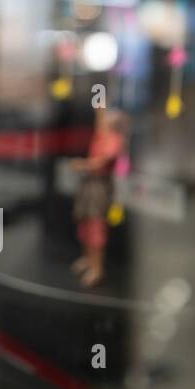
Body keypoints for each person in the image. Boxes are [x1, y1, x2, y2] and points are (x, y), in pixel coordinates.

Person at [71, 107, 128, 288]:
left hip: (99, 187)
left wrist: (83, 165)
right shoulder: (102, 135)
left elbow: (102, 162)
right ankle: (88, 260)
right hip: (89, 185)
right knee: (85, 223)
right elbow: (100, 115)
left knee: (96, 226)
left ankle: (97, 268)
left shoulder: (115, 140)